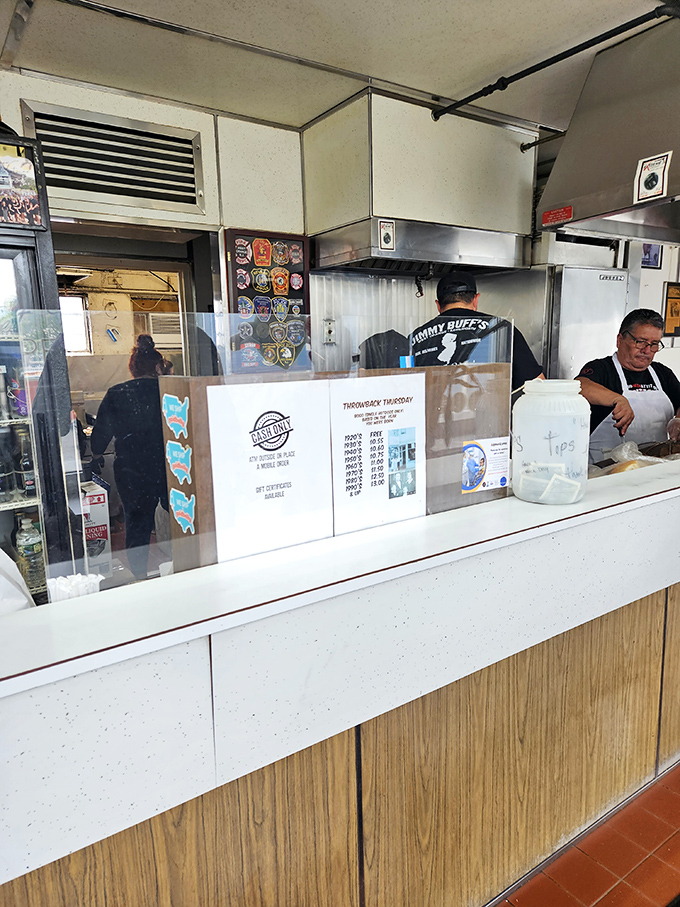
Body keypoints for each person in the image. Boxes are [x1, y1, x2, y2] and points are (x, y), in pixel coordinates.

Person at [90, 335, 172, 579]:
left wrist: (95, 456)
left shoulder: (117, 393)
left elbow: (99, 437)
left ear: (133, 369)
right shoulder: (169, 391)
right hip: (170, 465)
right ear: (158, 367)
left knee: (137, 523)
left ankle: (139, 576)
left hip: (132, 470)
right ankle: (187, 566)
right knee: (182, 516)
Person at [408, 272, 544, 392]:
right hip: (489, 419)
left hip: (432, 418)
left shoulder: (414, 338)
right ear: (475, 299)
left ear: (438, 305)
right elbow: (537, 387)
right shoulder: (500, 328)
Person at [577, 309, 680, 463]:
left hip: (654, 465)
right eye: (640, 342)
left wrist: (678, 419)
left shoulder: (662, 373)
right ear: (620, 339)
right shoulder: (602, 369)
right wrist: (618, 399)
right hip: (605, 470)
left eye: (654, 344)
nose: (647, 351)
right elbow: (579, 386)